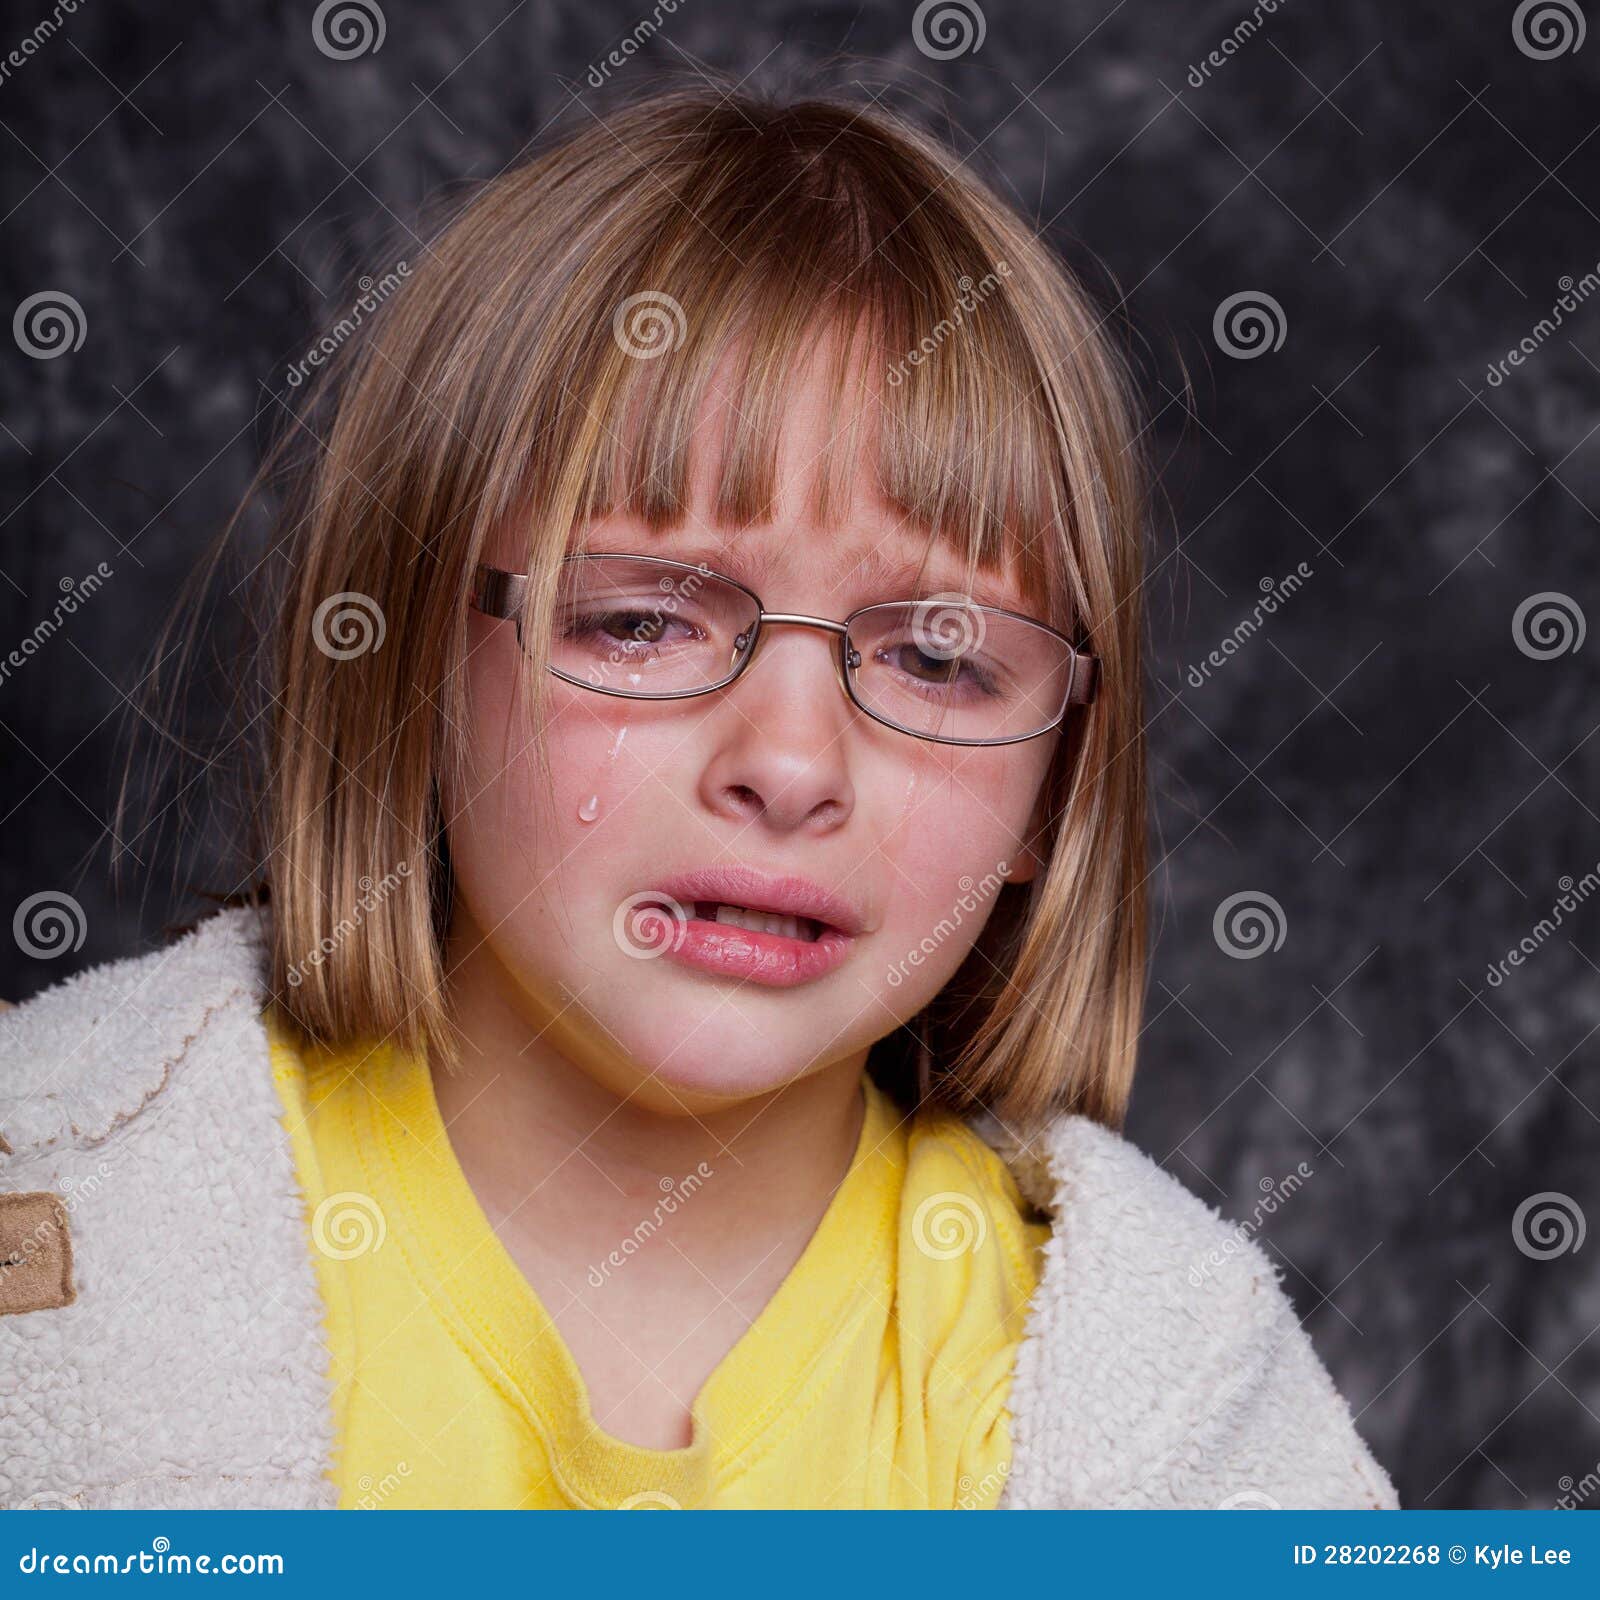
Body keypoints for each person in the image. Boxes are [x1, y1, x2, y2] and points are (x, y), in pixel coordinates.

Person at [0, 78, 1397, 1511]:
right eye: (642, 623)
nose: (790, 768)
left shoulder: (1169, 1414)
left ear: (1055, 792)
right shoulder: (68, 1216)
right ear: (404, 667)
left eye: (937, 658)